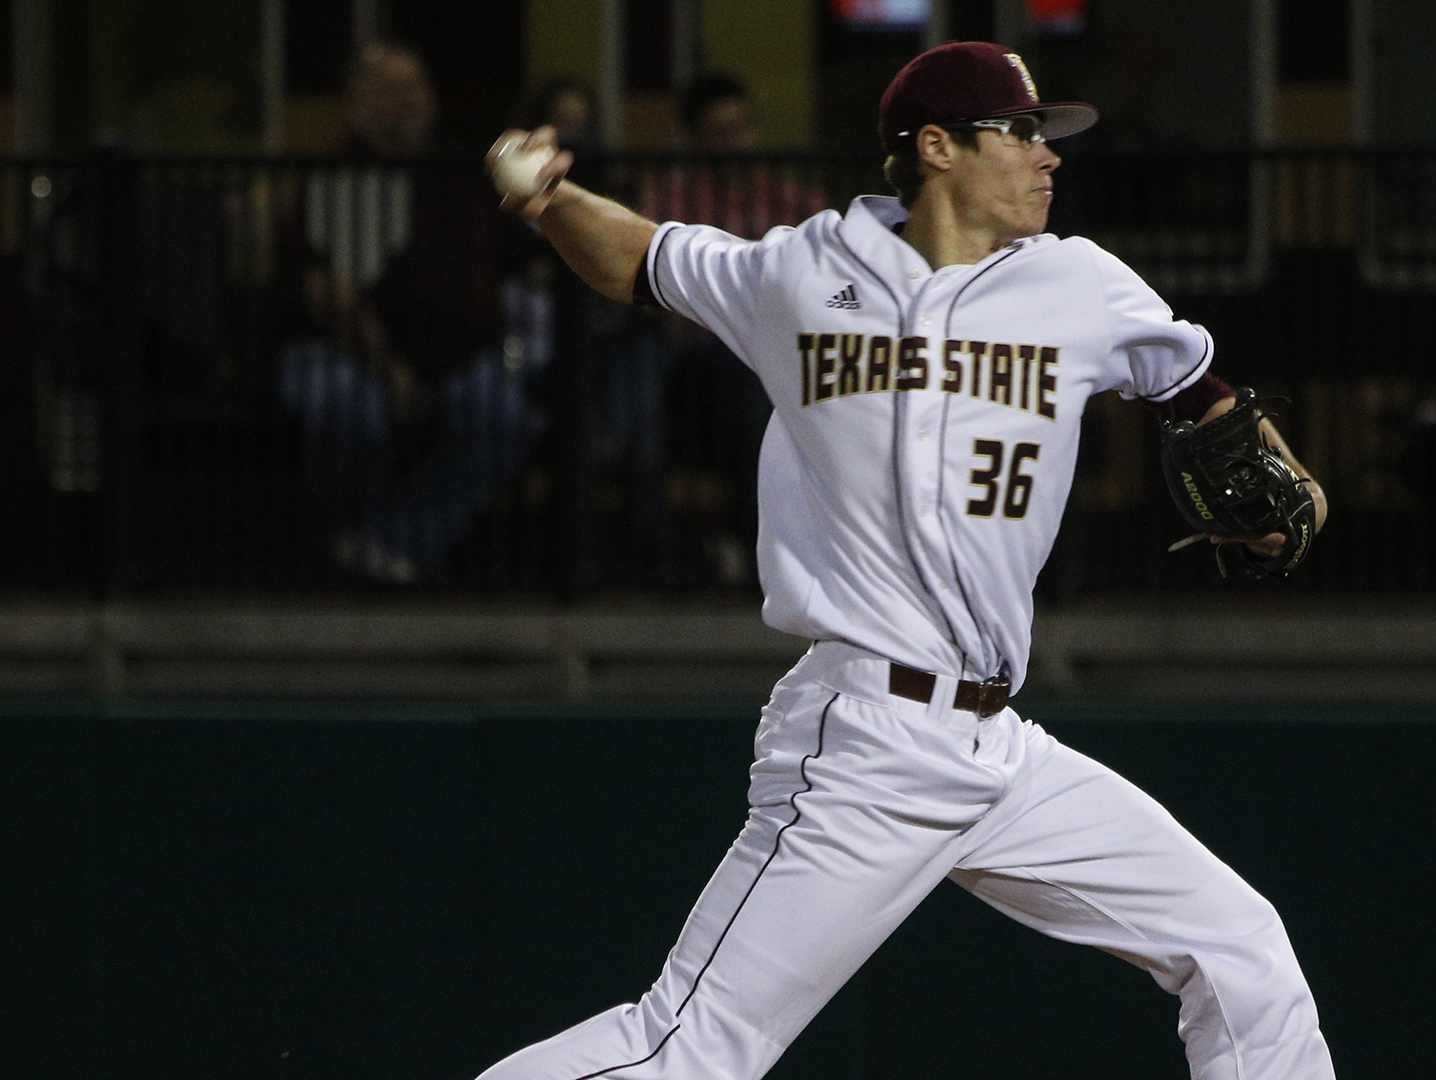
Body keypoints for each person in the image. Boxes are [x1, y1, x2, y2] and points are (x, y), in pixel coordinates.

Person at [476, 41, 1334, 1080]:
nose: (1047, 159)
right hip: (868, 738)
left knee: (1241, 952)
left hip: (999, 752)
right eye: (1021, 135)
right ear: (937, 147)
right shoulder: (798, 272)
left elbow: (1205, 395)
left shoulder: (1081, 284)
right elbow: (641, 258)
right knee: (692, 1048)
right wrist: (546, 202)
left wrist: (1297, 487)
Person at [275, 41, 539, 583]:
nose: (411, 100)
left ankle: (387, 546)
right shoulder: (332, 177)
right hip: (343, 352)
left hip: (458, 358)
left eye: (417, 85)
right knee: (348, 410)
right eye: (392, 89)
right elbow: (329, 295)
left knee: (503, 416)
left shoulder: (457, 175)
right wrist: (388, 370)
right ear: (357, 104)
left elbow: (520, 259)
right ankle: (343, 545)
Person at [624, 73, 831, 585]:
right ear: (694, 140)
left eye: (742, 129)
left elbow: (830, 286)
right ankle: (665, 562)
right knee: (674, 397)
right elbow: (652, 289)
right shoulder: (670, 201)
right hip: (694, 357)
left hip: (783, 357)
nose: (735, 143)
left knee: (776, 395)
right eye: (720, 133)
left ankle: (779, 555)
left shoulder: (793, 199)